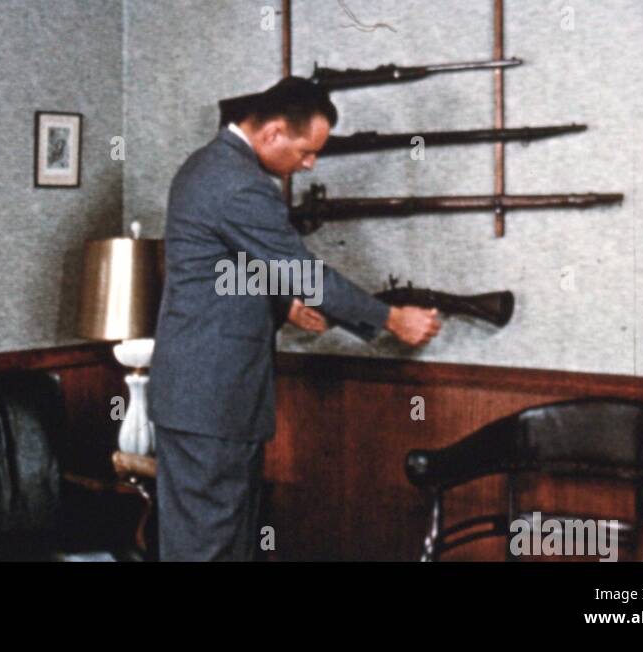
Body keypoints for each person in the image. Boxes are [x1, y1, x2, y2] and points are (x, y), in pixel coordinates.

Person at [147, 77, 440, 561]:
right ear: (273, 133)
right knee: (210, 550)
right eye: (306, 152)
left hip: (201, 399)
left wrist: (282, 305)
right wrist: (390, 318)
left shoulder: (206, 166)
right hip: (212, 402)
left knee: (222, 546)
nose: (309, 165)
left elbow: (218, 266)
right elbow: (302, 271)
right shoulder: (239, 184)